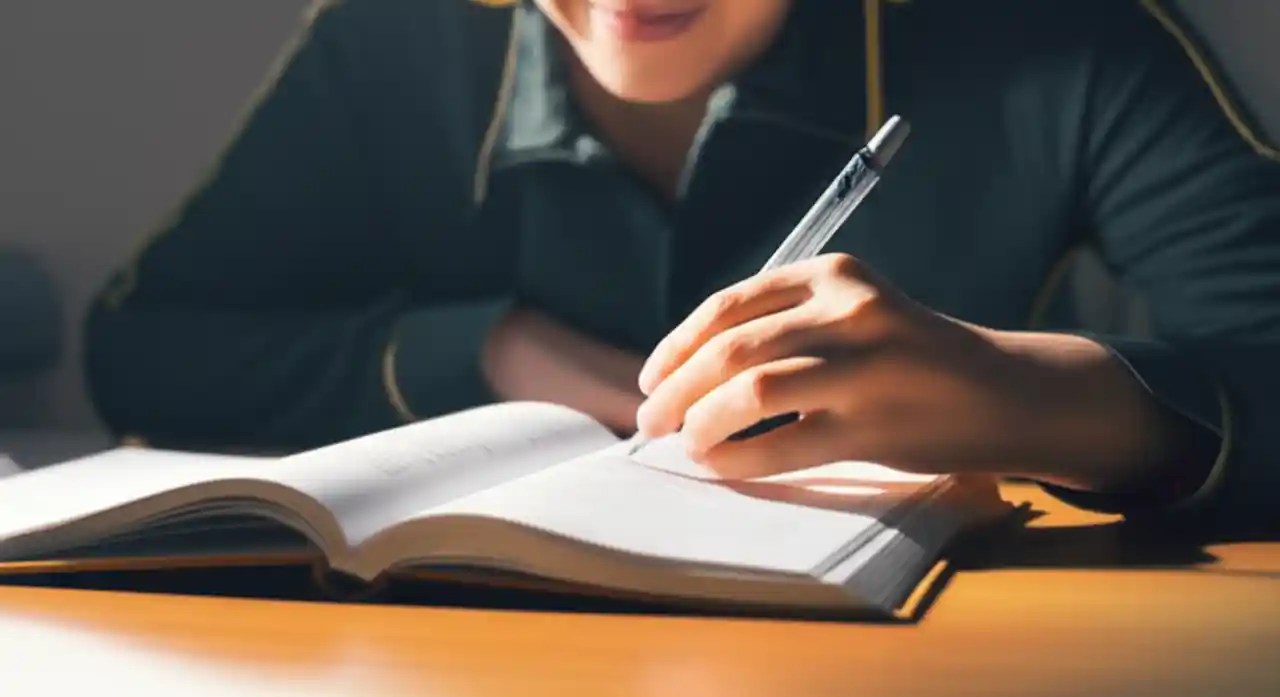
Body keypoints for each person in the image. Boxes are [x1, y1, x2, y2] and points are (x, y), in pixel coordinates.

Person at [86, 0, 1280, 528]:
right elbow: (143, 348)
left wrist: (1039, 401)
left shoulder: (1058, 33)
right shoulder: (388, 41)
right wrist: (491, 349)